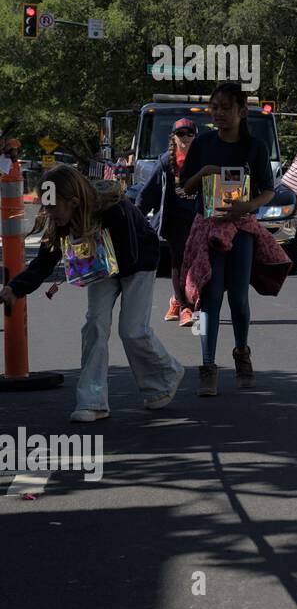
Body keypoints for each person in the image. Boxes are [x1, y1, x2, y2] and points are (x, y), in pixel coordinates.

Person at [0, 165, 184, 422]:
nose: (49, 214)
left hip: (138, 262)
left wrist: (86, 261)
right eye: (46, 207)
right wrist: (14, 288)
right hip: (104, 266)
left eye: (53, 208)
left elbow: (128, 256)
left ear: (74, 202)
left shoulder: (114, 210)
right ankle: (93, 401)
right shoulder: (60, 221)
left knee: (132, 330)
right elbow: (43, 262)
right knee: (95, 326)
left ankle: (166, 376)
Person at [179, 82, 277, 394]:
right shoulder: (203, 144)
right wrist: (205, 171)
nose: (218, 113)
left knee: (237, 296)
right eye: (214, 108)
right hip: (207, 229)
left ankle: (242, 353)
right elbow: (186, 187)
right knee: (210, 295)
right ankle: (207, 366)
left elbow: (269, 189)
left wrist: (248, 206)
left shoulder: (255, 147)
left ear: (241, 111)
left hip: (242, 229)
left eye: (225, 108)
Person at [136, 117, 200, 326]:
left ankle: (177, 300)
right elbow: (148, 194)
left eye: (190, 134)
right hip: (175, 221)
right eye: (181, 134)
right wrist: (135, 219)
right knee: (179, 262)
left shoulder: (203, 161)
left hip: (198, 219)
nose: (186, 138)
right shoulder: (165, 162)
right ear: (173, 137)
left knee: (197, 264)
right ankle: (185, 308)